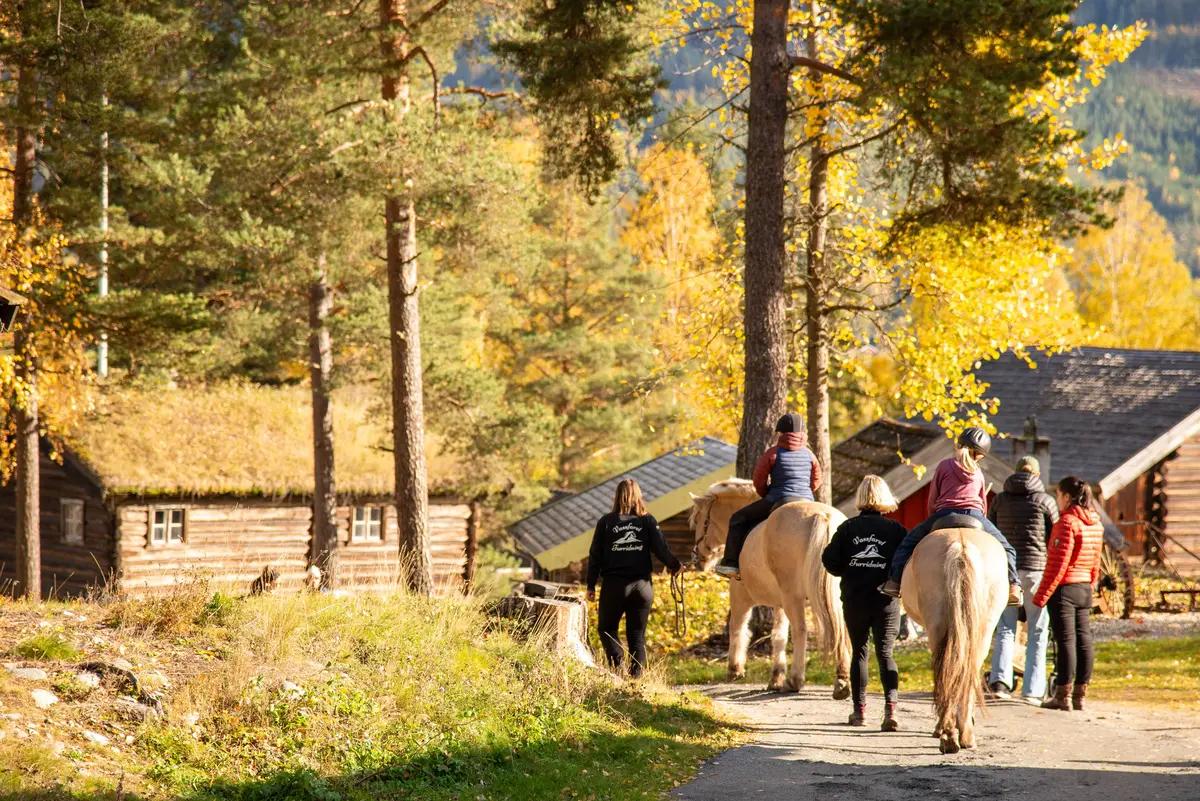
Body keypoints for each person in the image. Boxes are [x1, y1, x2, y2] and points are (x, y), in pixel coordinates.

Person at [879, 427, 1021, 606]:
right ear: (980, 455)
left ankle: (894, 582)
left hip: (945, 513)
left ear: (959, 445)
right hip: (975, 516)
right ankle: (1014, 586)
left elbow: (932, 499)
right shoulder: (977, 472)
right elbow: (983, 505)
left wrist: (933, 519)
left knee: (907, 544)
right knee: (1008, 549)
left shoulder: (944, 465)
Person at [822, 475, 907, 731]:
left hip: (854, 599)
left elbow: (830, 561)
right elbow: (906, 563)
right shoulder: (896, 531)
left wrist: (848, 571)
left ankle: (859, 713)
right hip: (886, 601)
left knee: (859, 651)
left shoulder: (848, 528)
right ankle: (890, 711)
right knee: (886, 653)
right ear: (885, 497)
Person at [587, 477, 682, 678]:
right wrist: (675, 566)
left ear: (617, 496)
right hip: (642, 587)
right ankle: (636, 679)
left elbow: (595, 555)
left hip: (614, 586)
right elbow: (661, 549)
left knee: (606, 629)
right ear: (638, 496)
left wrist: (591, 585)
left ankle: (618, 668)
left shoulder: (606, 522)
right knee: (637, 635)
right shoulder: (648, 521)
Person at [986, 455, 1059, 702]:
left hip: (1007, 572)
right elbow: (1055, 537)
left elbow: (992, 532)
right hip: (1037, 571)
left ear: (1015, 472)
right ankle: (1032, 690)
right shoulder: (1046, 501)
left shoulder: (1000, 500)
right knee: (1038, 630)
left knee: (1005, 627)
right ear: (1036, 474)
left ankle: (1000, 682)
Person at [715, 413, 822, 579]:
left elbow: (759, 481)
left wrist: (768, 495)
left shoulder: (773, 453)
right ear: (802, 433)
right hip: (807, 500)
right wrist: (804, 492)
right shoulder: (810, 455)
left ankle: (730, 564)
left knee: (738, 519)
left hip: (779, 498)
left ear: (781, 433)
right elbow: (816, 481)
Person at [1033, 476, 1104, 711]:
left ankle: (1062, 694)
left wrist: (1041, 597)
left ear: (1066, 496)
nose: (1057, 501)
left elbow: (1057, 564)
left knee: (1065, 641)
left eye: (1058, 496)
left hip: (1064, 589)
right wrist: (1091, 583)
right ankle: (1080, 695)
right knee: (1084, 640)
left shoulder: (1066, 523)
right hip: (1083, 586)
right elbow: (1096, 561)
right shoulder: (1095, 523)